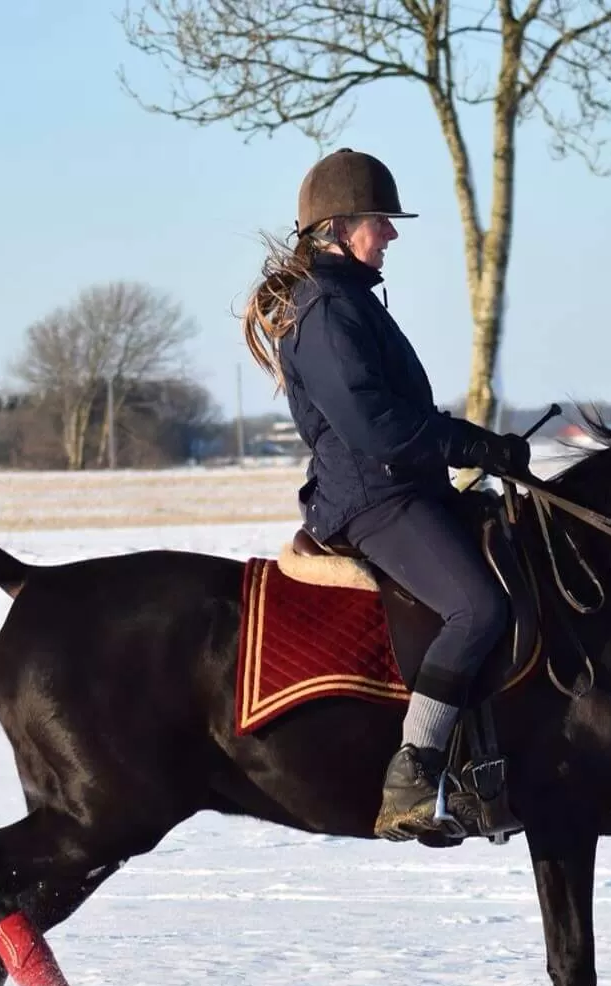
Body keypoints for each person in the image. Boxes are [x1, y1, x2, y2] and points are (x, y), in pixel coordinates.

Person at [243, 149, 532, 841]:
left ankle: (479, 776)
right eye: (381, 222)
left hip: (404, 485)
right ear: (340, 228)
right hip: (374, 499)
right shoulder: (325, 311)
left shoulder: (346, 300)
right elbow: (374, 427)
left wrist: (479, 451)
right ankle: (415, 770)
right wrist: (470, 443)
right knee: (477, 606)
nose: (393, 235)